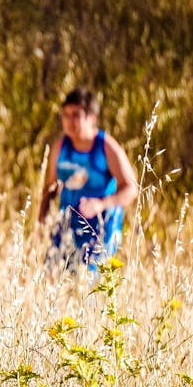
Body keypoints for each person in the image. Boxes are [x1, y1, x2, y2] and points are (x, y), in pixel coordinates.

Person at [38, 88, 138, 270]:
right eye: (66, 115)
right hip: (67, 223)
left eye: (76, 115)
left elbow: (131, 189)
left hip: (101, 228)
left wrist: (101, 204)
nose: (69, 121)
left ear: (92, 118)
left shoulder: (106, 147)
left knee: (88, 287)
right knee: (52, 276)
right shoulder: (60, 147)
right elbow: (50, 187)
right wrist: (41, 220)